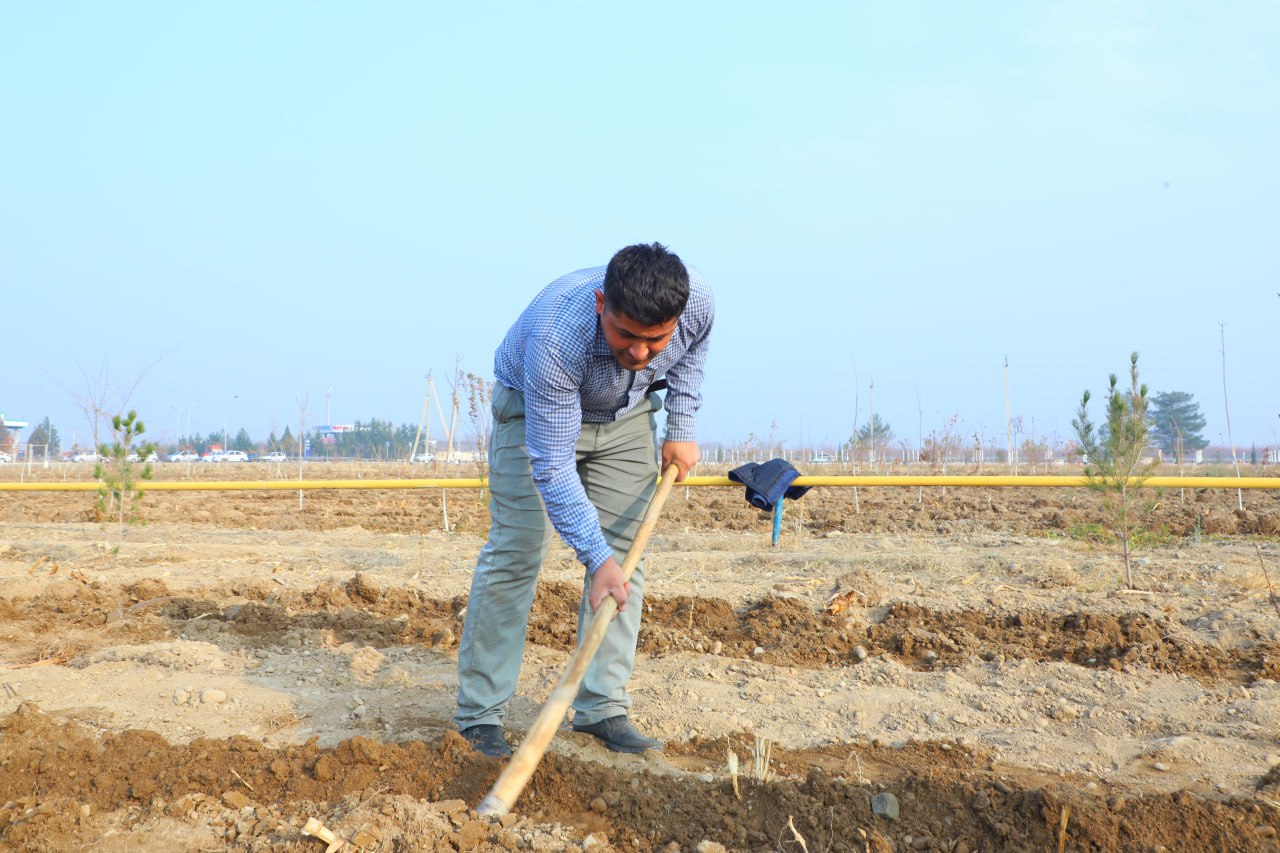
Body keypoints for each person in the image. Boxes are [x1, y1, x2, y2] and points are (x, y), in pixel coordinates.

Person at [454, 242, 714, 757]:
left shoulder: (698, 302)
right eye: (626, 335)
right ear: (601, 305)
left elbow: (692, 357)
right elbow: (551, 464)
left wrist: (681, 425)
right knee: (518, 551)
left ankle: (602, 708)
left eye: (654, 339)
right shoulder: (558, 336)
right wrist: (594, 559)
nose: (640, 352)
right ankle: (479, 715)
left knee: (625, 559)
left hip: (625, 418)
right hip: (535, 413)